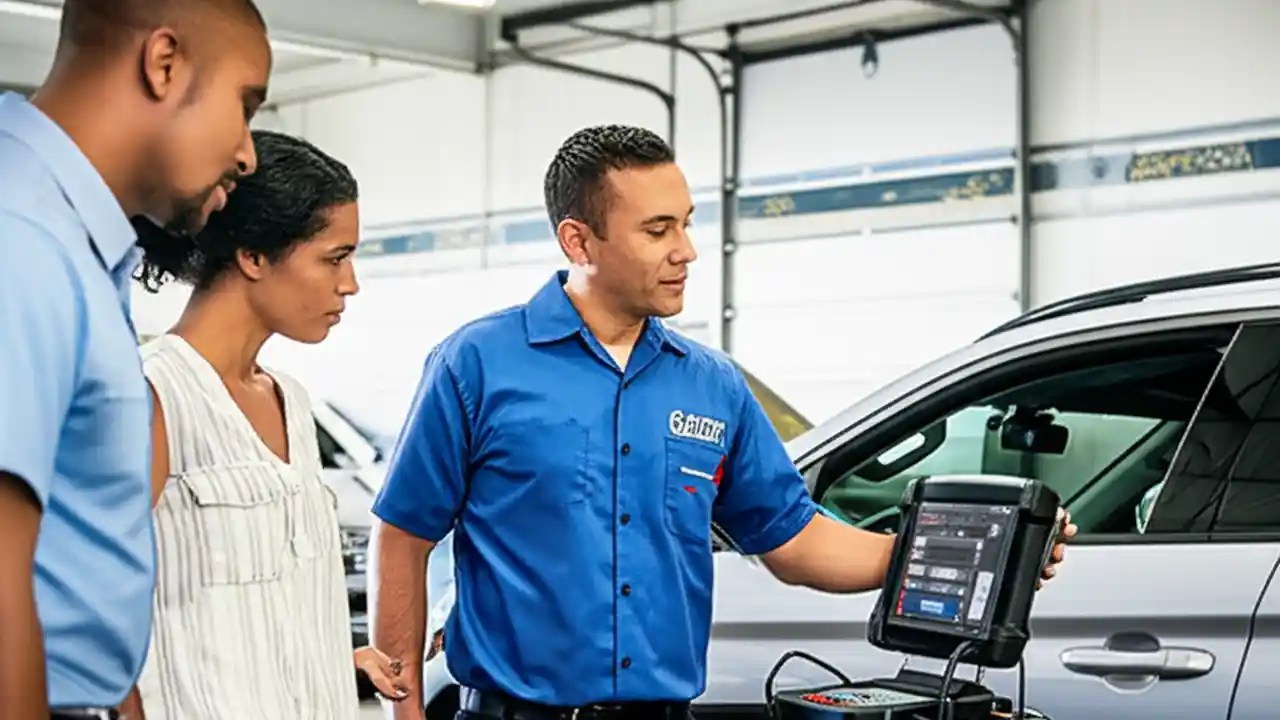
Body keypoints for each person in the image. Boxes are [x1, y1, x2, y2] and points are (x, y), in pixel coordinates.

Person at [369, 124, 1077, 720]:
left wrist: (985, 556)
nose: (686, 250)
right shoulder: (479, 363)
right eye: (657, 229)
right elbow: (403, 535)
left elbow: (793, 540)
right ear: (578, 242)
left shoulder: (711, 384)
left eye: (686, 223)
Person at [0, 1, 270, 718]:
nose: (247, 152)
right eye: (243, 105)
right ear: (164, 63)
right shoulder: (20, 235)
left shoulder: (75, 242)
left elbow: (71, 552)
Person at [116, 129, 407, 720]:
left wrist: (333, 660)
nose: (349, 283)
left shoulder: (292, 403)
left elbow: (243, 608)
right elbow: (81, 613)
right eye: (334, 258)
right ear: (252, 256)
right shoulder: (152, 395)